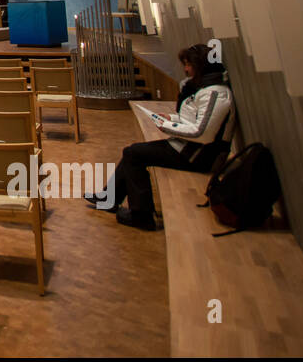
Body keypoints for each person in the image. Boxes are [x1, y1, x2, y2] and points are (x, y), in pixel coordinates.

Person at [87, 43, 234, 230]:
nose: (186, 69)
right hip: (188, 148)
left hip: (199, 156)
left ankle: (141, 215)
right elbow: (195, 120)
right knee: (132, 151)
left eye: (189, 65)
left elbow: (202, 134)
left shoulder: (216, 94)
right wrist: (171, 118)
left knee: (134, 154)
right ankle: (109, 198)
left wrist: (168, 126)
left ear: (200, 66)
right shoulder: (208, 89)